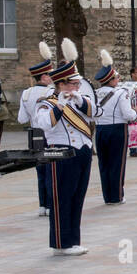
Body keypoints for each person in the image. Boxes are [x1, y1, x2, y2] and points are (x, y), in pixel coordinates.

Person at [31, 40, 95, 257]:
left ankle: (73, 240)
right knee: (61, 198)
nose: (76, 87)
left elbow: (96, 112)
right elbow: (44, 124)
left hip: (83, 151)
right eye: (72, 84)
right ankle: (60, 242)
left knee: (77, 196)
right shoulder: (46, 102)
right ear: (61, 84)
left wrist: (78, 100)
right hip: (60, 153)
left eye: (77, 84)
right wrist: (60, 104)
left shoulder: (80, 99)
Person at [92, 50, 137, 204]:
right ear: (110, 80)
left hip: (100, 130)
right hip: (117, 130)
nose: (118, 80)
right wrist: (135, 111)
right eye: (117, 77)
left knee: (104, 164)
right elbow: (128, 115)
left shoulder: (95, 93)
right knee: (117, 163)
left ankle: (107, 196)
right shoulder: (121, 93)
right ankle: (117, 196)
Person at [19, 44, 56, 215]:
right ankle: (50, 204)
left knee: (40, 171)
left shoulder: (26, 93)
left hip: (34, 134)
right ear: (44, 76)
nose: (52, 77)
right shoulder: (52, 92)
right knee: (51, 170)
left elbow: (22, 119)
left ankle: (42, 205)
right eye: (50, 74)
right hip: (49, 134)